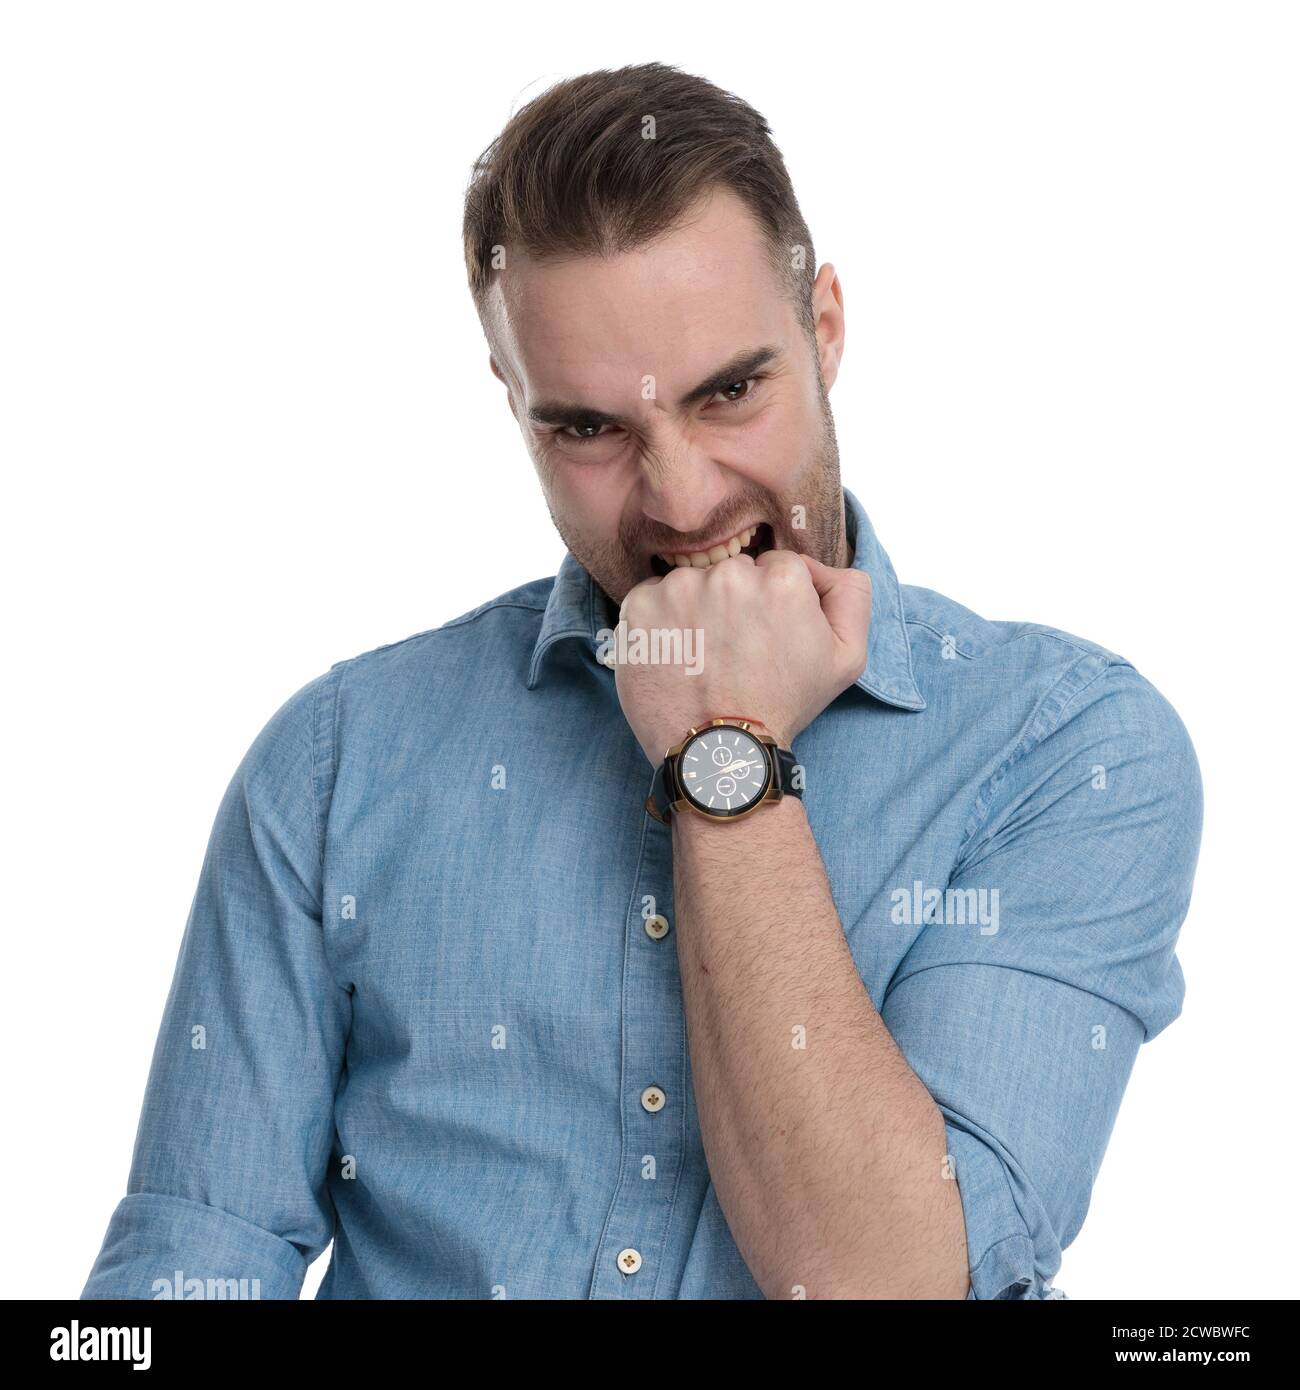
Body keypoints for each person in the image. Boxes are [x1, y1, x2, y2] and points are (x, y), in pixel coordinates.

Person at [83, 61, 1201, 1300]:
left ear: (824, 329)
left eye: (730, 392)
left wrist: (722, 747)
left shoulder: (1066, 752)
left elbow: (886, 1281)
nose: (680, 498)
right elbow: (189, 1264)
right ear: (513, 403)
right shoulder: (338, 758)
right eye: (588, 428)